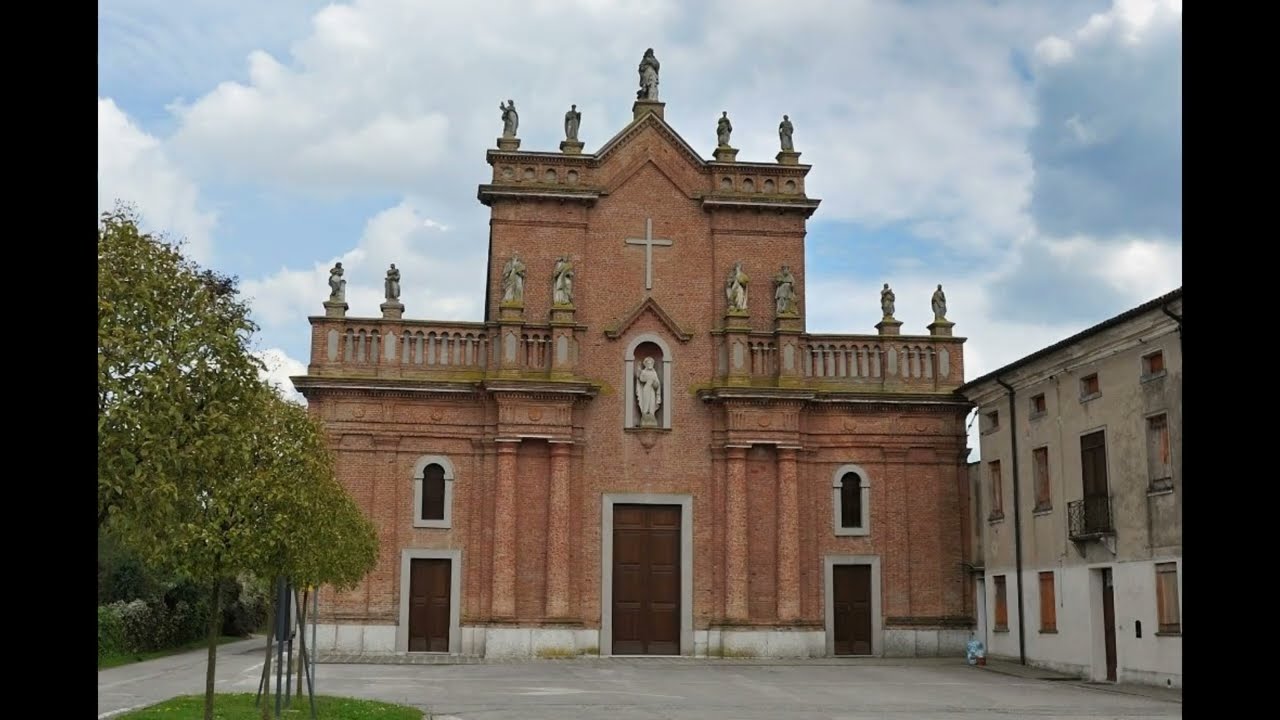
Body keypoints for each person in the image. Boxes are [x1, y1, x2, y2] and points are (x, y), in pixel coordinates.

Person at [636, 357, 661, 425]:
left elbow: (657, 383)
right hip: (646, 388)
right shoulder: (644, 371)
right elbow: (641, 379)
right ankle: (645, 414)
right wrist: (640, 372)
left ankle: (651, 414)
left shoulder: (654, 372)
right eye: (648, 363)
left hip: (652, 389)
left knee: (652, 401)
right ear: (646, 364)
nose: (650, 364)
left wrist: (655, 383)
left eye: (651, 363)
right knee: (646, 401)